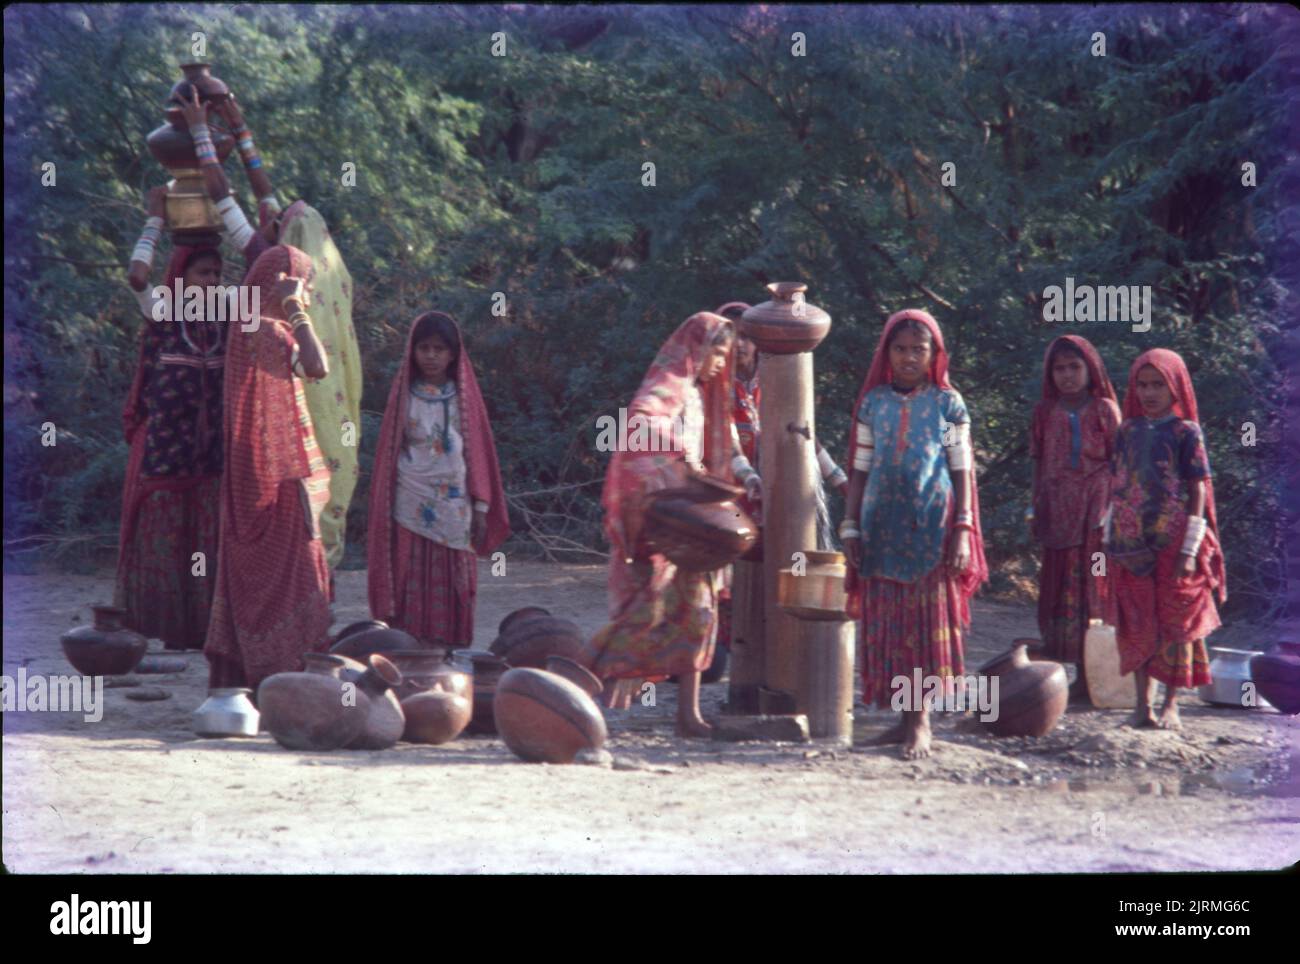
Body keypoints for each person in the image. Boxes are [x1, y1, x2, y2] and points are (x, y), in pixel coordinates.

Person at [581, 312, 742, 736]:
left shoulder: (697, 394)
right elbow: (639, 423)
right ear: (697, 349)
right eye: (718, 353)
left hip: (692, 525)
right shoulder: (668, 385)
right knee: (644, 616)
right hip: (661, 526)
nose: (722, 364)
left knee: (700, 615)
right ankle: (578, 697)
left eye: (726, 357)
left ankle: (687, 715)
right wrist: (684, 462)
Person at [840, 309, 988, 759]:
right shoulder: (873, 404)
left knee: (925, 628)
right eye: (900, 349)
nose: (908, 358)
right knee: (891, 624)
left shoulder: (947, 404)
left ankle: (921, 724)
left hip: (932, 528)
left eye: (918, 350)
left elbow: (961, 470)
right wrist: (850, 527)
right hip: (880, 529)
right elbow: (860, 471)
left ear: (933, 354)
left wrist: (962, 529)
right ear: (886, 353)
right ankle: (900, 721)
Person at [202, 244, 332, 693]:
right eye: (302, 285)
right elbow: (317, 366)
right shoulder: (272, 333)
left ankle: (245, 678)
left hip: (248, 476)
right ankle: (288, 678)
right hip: (277, 476)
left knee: (250, 564)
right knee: (294, 565)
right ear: (278, 284)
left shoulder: (245, 326)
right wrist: (296, 309)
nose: (308, 294)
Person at [116, 186, 225, 649]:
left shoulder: (226, 321)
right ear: (183, 277)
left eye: (219, 274)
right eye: (205, 274)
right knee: (163, 543)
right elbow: (137, 276)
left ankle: (200, 630)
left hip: (209, 457)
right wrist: (155, 219)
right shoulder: (165, 313)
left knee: (202, 548)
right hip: (164, 452)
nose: (214, 282)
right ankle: (154, 632)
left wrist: (224, 202)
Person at [711, 301, 846, 672]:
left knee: (787, 562)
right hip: (730, 498)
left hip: (776, 494)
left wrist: (839, 480)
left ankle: (776, 647)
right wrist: (749, 478)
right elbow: (726, 445)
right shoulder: (713, 388)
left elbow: (807, 435)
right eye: (730, 336)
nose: (739, 344)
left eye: (746, 336)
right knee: (734, 563)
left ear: (757, 341)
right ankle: (724, 647)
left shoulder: (775, 380)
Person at [368, 312, 510, 647]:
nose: (431, 355)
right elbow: (390, 452)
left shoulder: (464, 400)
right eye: (424, 348)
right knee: (409, 575)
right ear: (413, 351)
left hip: (455, 504)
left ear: (453, 354)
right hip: (410, 499)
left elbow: (477, 453)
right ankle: (409, 650)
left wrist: (480, 506)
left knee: (455, 578)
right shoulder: (404, 396)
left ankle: (448, 653)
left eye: (440, 349)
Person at [1106, 349, 1226, 730]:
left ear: (1175, 385)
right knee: (1137, 620)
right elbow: (1119, 484)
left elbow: (1198, 490)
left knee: (1176, 622)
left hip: (1175, 543)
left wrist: (1191, 548)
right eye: (1142, 384)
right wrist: (1111, 534)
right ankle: (1142, 706)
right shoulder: (1127, 431)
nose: (1149, 392)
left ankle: (1171, 704)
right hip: (1132, 542)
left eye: (1158, 384)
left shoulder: (1186, 432)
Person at [1029, 335, 1121, 699]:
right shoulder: (1044, 413)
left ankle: (1093, 676)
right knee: (1058, 590)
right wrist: (1033, 507)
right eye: (1059, 368)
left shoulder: (1104, 410)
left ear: (1090, 369)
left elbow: (1122, 465)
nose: (1067, 375)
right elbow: (1037, 462)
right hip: (1058, 514)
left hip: (1097, 518)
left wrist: (1114, 514)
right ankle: (1066, 673)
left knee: (1094, 589)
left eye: (1074, 367)